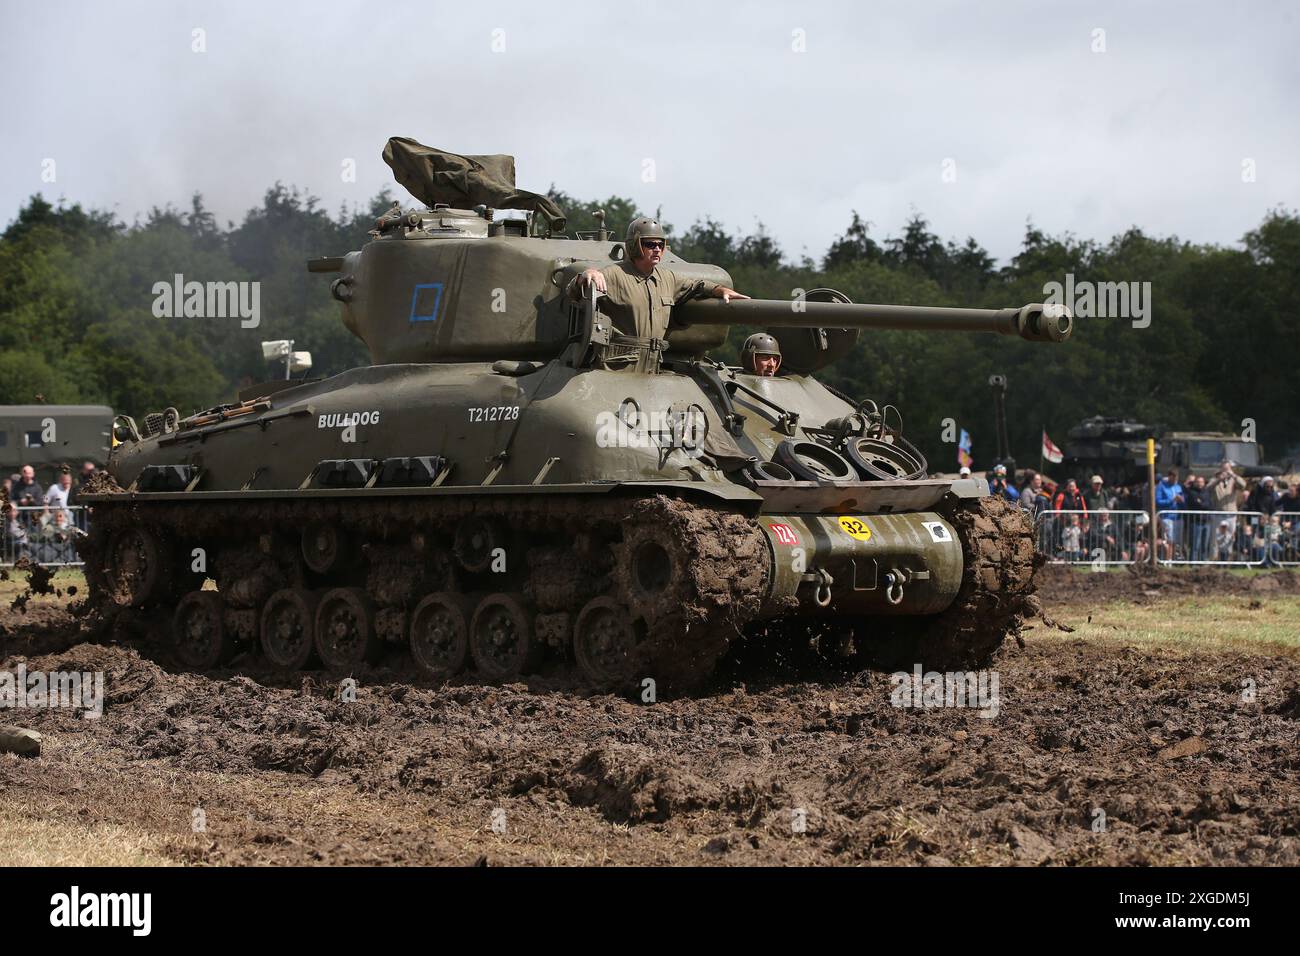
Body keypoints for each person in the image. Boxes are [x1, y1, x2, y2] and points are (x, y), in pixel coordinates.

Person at [568, 217, 747, 367]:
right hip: (618, 364)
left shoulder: (667, 278)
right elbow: (574, 294)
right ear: (635, 246)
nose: (657, 249)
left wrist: (719, 290)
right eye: (650, 244)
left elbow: (695, 286)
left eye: (660, 244)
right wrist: (585, 276)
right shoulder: (614, 275)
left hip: (653, 363)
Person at [1155, 469, 1184, 560]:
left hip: (1177, 517)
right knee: (1169, 539)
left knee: (1177, 540)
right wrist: (1171, 500)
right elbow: (1158, 501)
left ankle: (1175, 559)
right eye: (1173, 477)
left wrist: (1182, 500)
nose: (1175, 479)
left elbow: (1183, 499)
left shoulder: (1178, 487)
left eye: (1176, 477)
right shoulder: (1161, 486)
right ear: (1169, 476)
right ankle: (1168, 561)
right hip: (1167, 516)